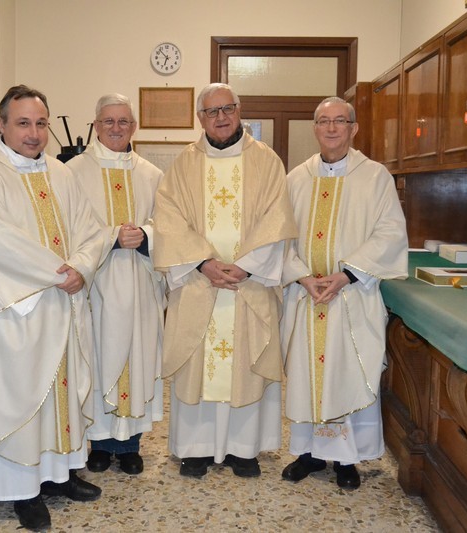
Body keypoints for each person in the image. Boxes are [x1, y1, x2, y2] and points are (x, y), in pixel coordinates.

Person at [0, 85, 104, 531]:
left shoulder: (61, 174)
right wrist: (61, 274)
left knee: (59, 392)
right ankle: (22, 492)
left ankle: (59, 475)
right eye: (23, 123)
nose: (35, 133)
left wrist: (82, 266)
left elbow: (92, 229)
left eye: (41, 123)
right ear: (2, 125)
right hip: (15, 310)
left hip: (62, 306)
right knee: (20, 399)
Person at [153, 82, 297, 479]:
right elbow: (168, 219)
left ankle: (242, 449)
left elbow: (277, 218)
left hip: (246, 286)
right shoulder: (183, 164)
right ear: (200, 118)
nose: (221, 118)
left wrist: (248, 266)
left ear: (239, 110)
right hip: (201, 284)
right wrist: (203, 263)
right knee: (197, 364)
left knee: (245, 364)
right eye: (212, 112)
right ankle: (195, 449)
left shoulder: (267, 161)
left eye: (227, 109)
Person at [280, 96, 408, 490]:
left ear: (354, 129)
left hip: (351, 296)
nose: (331, 128)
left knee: (349, 372)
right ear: (315, 129)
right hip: (306, 298)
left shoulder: (375, 177)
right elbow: (278, 237)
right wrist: (301, 276)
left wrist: (346, 275)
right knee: (306, 374)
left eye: (340, 121)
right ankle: (308, 452)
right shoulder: (295, 178)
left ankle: (345, 459)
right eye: (323, 121)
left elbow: (390, 232)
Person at [65, 94, 165, 475]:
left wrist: (146, 234)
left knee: (136, 359)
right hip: (98, 285)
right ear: (95, 125)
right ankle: (100, 445)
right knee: (98, 357)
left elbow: (166, 225)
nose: (116, 128)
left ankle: (130, 446)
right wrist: (111, 236)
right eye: (109, 121)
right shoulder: (73, 172)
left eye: (124, 121)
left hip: (139, 283)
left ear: (134, 127)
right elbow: (70, 228)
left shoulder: (152, 174)